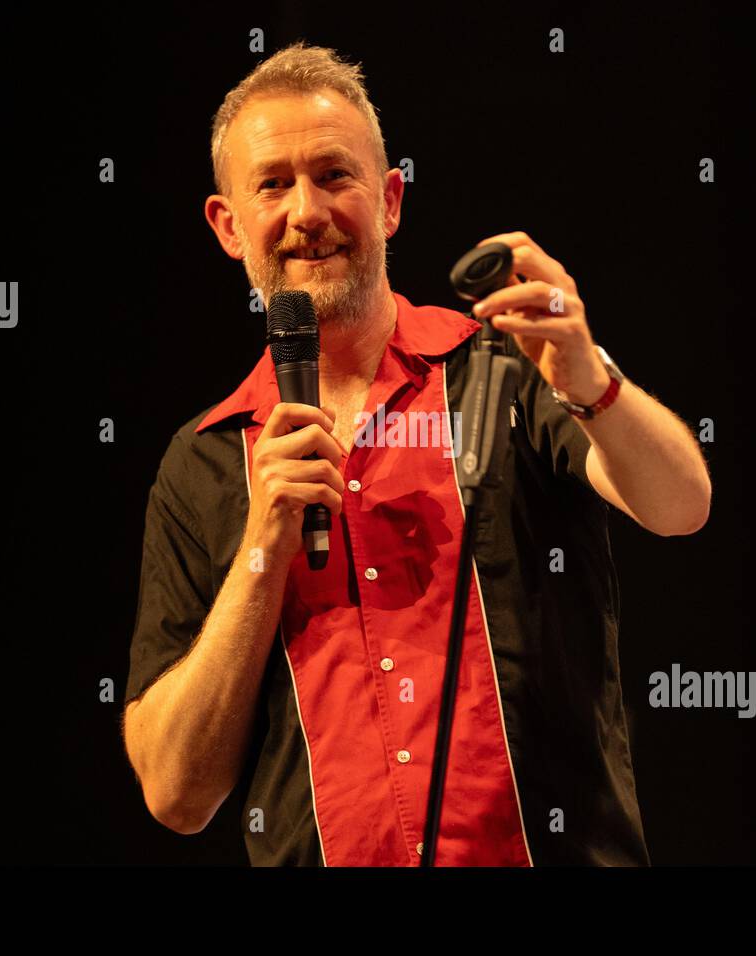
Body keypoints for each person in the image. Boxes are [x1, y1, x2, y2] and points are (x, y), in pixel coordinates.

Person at [121, 41, 711, 866]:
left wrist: (589, 374)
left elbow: (682, 504)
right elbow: (176, 794)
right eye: (273, 184)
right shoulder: (205, 464)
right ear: (228, 225)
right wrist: (263, 548)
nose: (307, 213)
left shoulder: (503, 370)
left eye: (334, 176)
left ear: (390, 200)